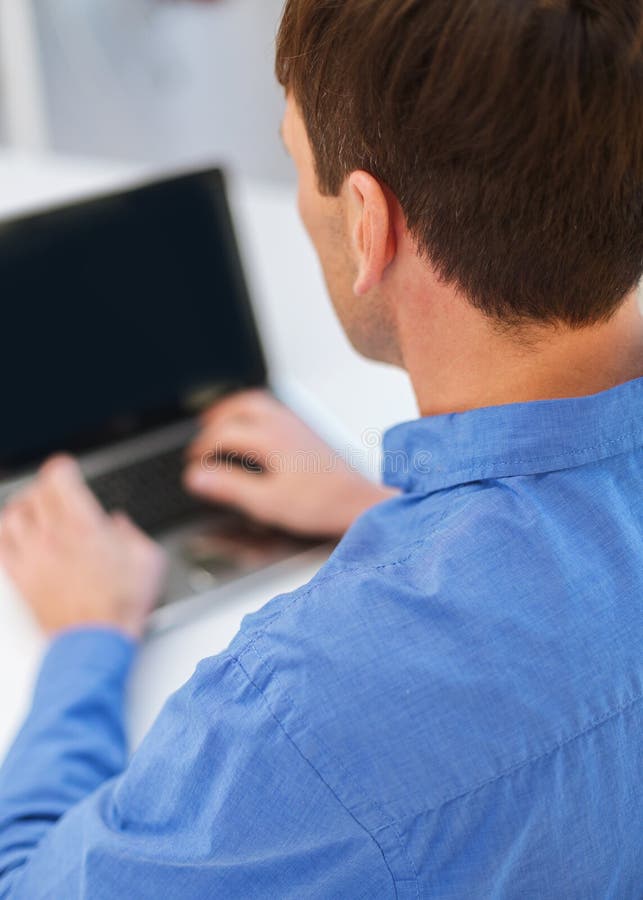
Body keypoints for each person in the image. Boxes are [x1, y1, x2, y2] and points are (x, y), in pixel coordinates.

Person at [0, 0, 641, 896]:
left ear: (368, 224)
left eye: (296, 163)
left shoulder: (303, 716)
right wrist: (384, 515)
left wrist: (88, 634)